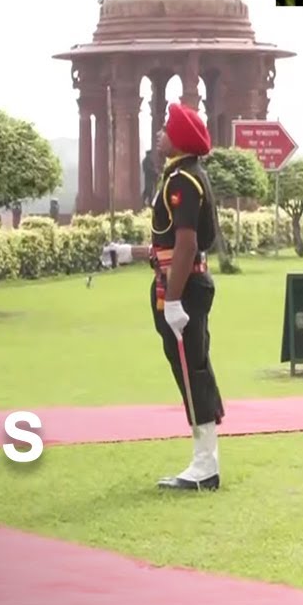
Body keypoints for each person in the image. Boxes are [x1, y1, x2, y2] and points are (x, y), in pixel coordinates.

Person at [101, 103, 224, 492]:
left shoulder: (181, 181)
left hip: (183, 288)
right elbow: (172, 244)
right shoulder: (183, 175)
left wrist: (173, 301)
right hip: (181, 284)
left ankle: (205, 466)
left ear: (180, 139)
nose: (159, 133)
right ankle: (205, 460)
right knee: (192, 368)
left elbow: (187, 245)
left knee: (192, 371)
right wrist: (129, 253)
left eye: (165, 128)